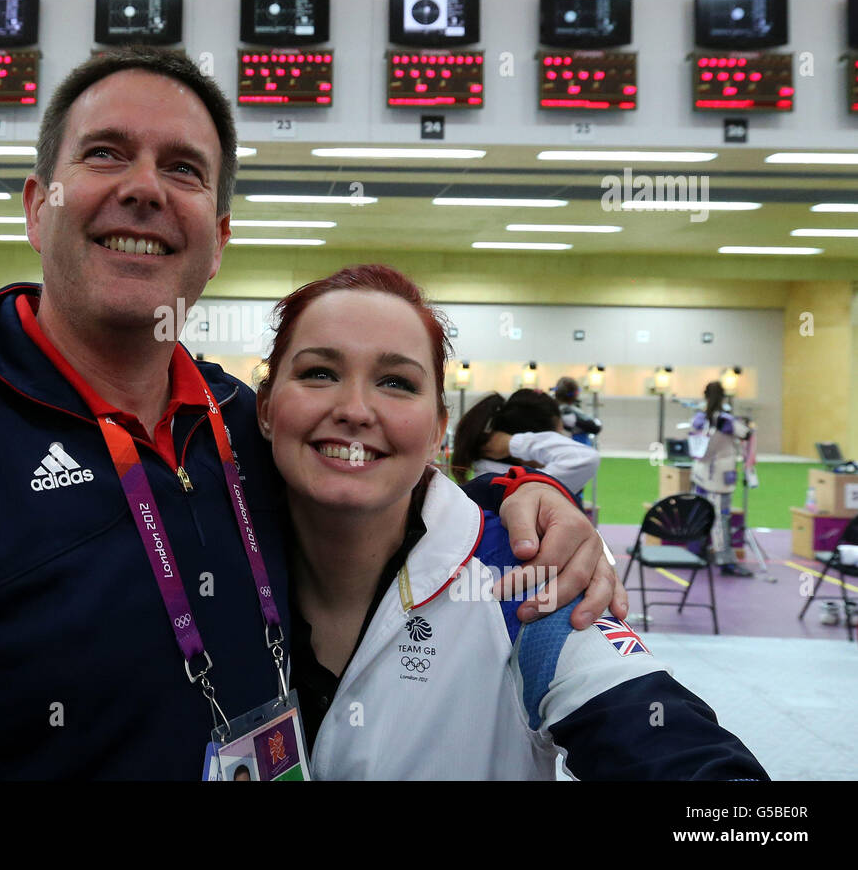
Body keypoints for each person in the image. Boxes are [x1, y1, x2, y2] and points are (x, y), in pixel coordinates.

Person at [0, 48, 619, 782]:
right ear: (37, 204)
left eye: (182, 169)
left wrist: (521, 495)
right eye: (105, 155)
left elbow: (385, 495)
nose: (142, 189)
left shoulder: (240, 423)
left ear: (216, 238)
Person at [260, 265, 767, 779]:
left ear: (439, 431)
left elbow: (674, 750)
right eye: (319, 373)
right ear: (263, 407)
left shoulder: (522, 579)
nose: (355, 409)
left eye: (396, 382)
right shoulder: (204, 554)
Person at [450, 388, 600, 496]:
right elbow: (586, 458)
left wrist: (511, 443)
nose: (557, 442)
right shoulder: (515, 485)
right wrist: (513, 444)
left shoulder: (493, 478)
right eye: (555, 437)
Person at [689, 381, 754, 578]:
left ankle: (695, 552)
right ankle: (726, 562)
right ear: (724, 397)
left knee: (700, 515)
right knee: (720, 521)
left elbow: (694, 446)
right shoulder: (726, 421)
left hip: (699, 474)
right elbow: (747, 435)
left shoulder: (699, 419)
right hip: (720, 479)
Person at [553, 376, 602, 446]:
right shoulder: (568, 411)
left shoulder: (554, 409)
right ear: (576, 393)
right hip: (577, 447)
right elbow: (595, 428)